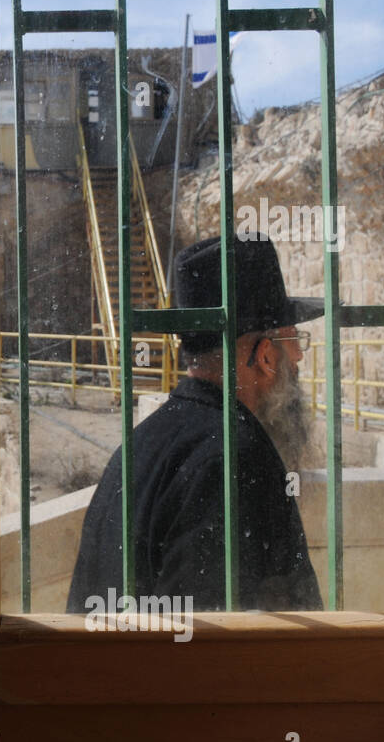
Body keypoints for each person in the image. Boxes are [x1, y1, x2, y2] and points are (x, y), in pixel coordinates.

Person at [66, 234, 324, 613]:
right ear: (266, 356)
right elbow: (211, 650)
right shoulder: (235, 460)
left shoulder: (142, 443)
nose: (299, 356)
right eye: (295, 340)